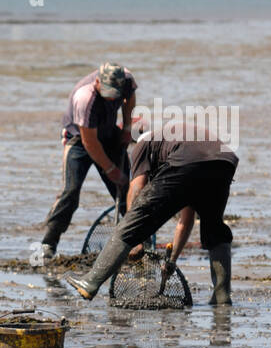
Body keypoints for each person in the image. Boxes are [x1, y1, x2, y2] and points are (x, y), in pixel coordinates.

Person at [64, 117, 237, 305]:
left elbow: (137, 187)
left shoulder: (143, 144)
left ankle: (90, 282)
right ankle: (222, 297)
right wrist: (171, 260)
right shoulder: (171, 141)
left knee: (128, 226)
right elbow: (184, 221)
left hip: (188, 160)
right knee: (215, 230)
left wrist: (134, 234)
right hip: (224, 162)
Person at [39, 63, 138, 259]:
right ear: (98, 83)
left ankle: (135, 241)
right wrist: (111, 170)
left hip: (108, 133)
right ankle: (48, 243)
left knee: (127, 188)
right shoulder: (85, 98)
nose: (111, 97)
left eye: (115, 94)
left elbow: (129, 100)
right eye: (107, 93)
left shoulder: (127, 80)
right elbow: (89, 142)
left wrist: (127, 129)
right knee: (71, 190)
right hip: (79, 140)